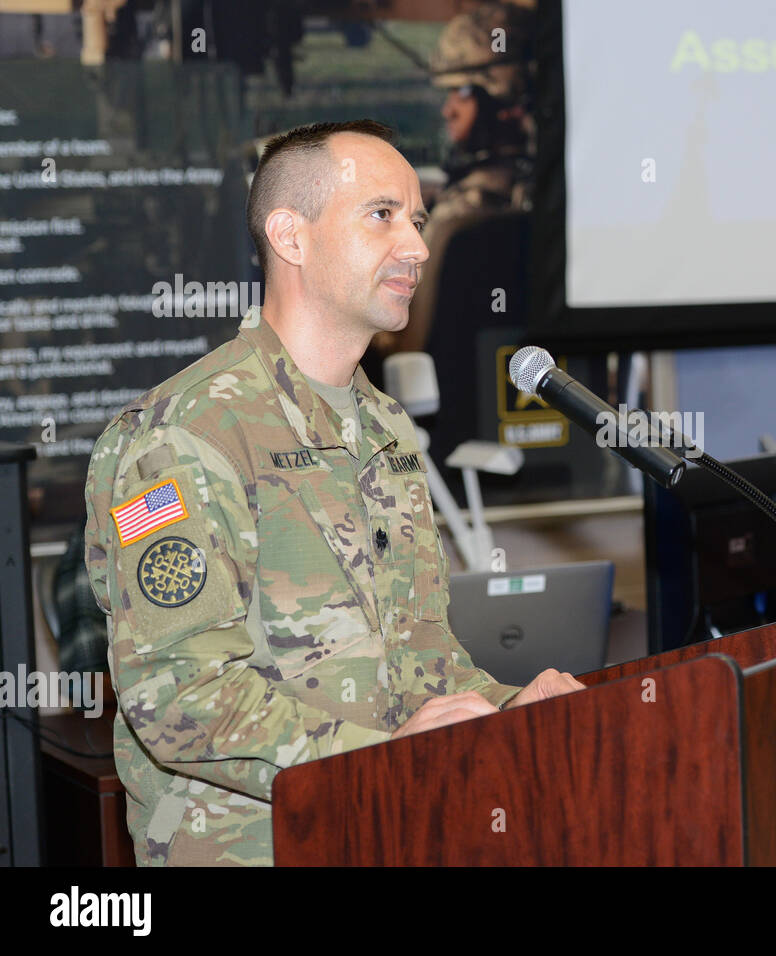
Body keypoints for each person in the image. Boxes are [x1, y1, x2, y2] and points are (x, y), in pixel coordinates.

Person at [83, 119, 583, 866]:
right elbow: (177, 695)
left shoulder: (383, 424)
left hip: (392, 828)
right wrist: (383, 757)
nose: (415, 246)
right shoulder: (189, 431)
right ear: (290, 235)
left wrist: (513, 712)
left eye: (417, 220)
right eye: (382, 215)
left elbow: (419, 661)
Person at [375, 1, 534, 357]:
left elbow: (405, 345)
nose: (449, 109)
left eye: (462, 92)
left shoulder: (462, 214)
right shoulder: (538, 195)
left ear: (504, 98)